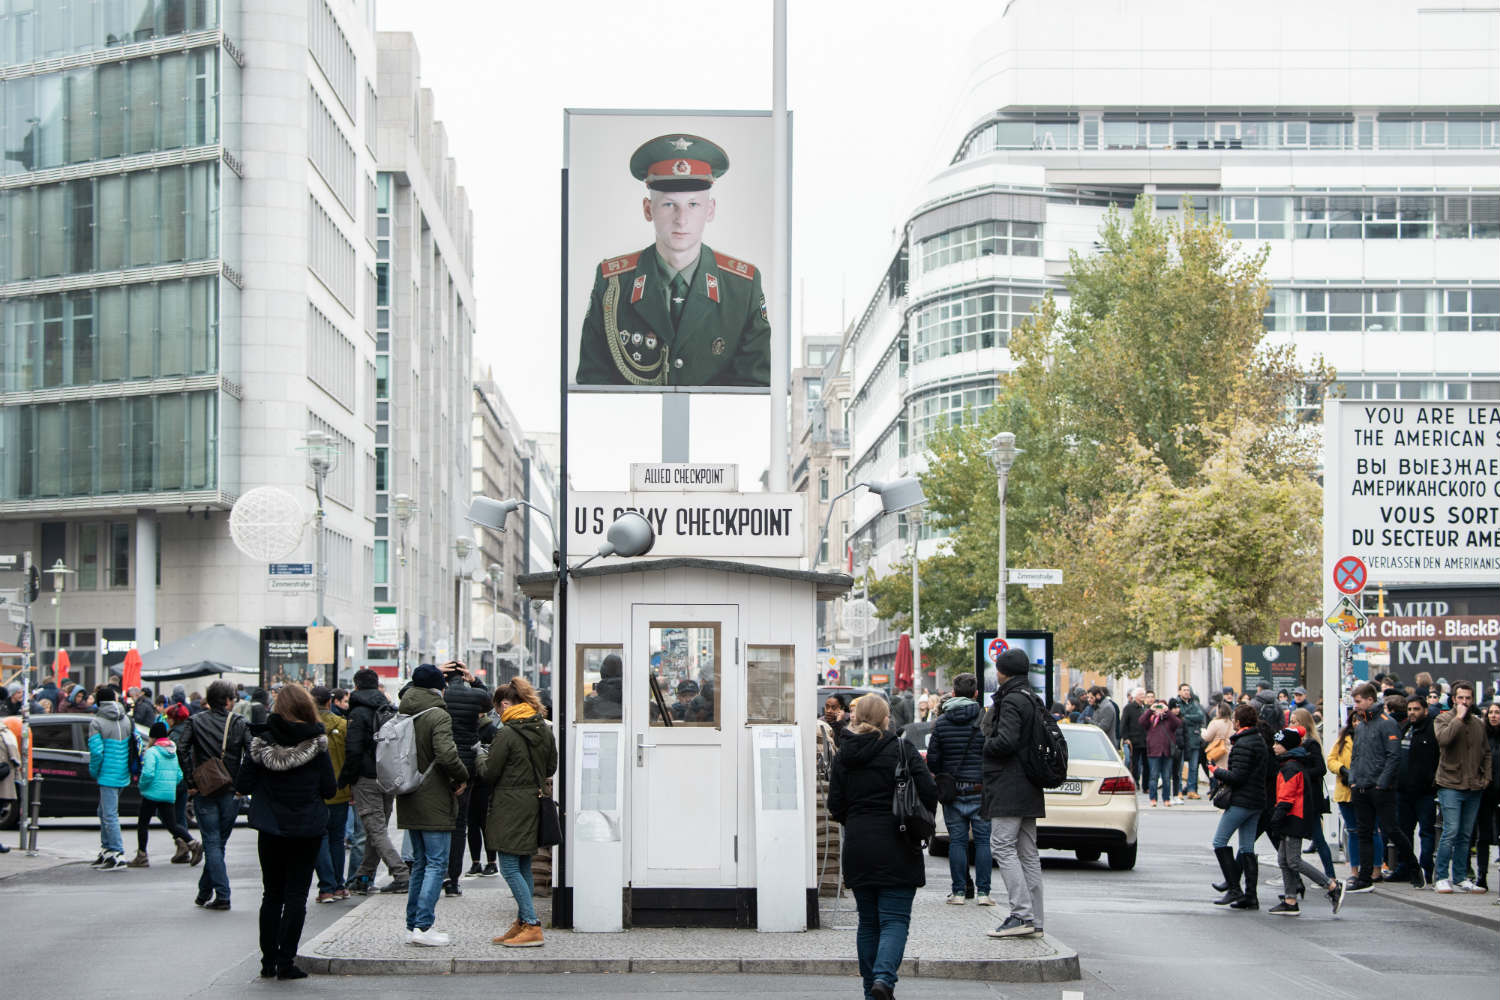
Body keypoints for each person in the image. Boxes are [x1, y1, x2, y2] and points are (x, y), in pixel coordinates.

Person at [575, 133, 770, 388]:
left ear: (710, 210)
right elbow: (592, 385)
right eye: (669, 205)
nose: (681, 219)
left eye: (693, 204)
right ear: (648, 209)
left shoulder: (742, 287)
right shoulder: (613, 283)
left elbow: (755, 391)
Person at [828, 693, 937, 1000]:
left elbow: (835, 805)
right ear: (885, 718)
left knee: (868, 923)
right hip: (898, 843)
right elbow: (929, 791)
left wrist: (857, 818)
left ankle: (871, 991)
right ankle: (884, 980)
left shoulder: (844, 754)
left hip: (859, 846)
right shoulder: (901, 749)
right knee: (894, 920)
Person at [234, 684, 336, 980]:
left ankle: (267, 960)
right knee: (296, 896)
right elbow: (329, 788)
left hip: (271, 827)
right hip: (307, 827)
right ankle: (286, 961)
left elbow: (243, 784)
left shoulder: (261, 742)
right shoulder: (317, 744)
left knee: (272, 894)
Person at [479, 677, 558, 948]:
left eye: (497, 709)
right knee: (523, 862)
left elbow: (489, 772)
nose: (497, 715)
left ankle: (532, 925)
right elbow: (550, 768)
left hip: (509, 804)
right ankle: (523, 921)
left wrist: (480, 756)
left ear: (505, 704)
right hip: (533, 800)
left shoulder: (507, 734)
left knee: (509, 866)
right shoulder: (544, 729)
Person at [394, 664, 469, 946]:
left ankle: (412, 925)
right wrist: (462, 775)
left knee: (421, 864)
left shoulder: (404, 711)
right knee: (437, 863)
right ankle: (424, 927)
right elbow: (447, 754)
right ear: (439, 688)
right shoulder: (437, 714)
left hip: (409, 794)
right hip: (434, 797)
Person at [982, 648, 1047, 938]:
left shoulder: (1010, 700)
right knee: (1028, 853)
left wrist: (985, 745)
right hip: (1030, 783)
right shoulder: (1032, 697)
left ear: (1003, 672)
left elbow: (1006, 742)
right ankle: (1036, 919)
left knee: (1002, 846)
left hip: (1009, 783)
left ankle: (1021, 915)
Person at [1346, 682, 1422, 893]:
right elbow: (1356, 756)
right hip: (1361, 786)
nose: (1356, 705)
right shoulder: (1361, 725)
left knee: (1391, 829)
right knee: (1364, 832)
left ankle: (1413, 867)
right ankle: (1364, 877)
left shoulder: (1387, 723)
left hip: (1380, 788)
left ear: (1370, 700)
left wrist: (1382, 783)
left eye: (1358, 701)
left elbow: (1393, 756)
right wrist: (1353, 779)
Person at [925, 672, 992, 907]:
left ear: (953, 693)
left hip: (952, 791)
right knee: (983, 842)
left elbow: (933, 760)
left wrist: (944, 772)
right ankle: (984, 893)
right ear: (976, 694)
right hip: (980, 789)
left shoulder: (942, 722)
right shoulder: (985, 719)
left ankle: (959, 892)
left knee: (957, 842)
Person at [341, 668, 409, 895]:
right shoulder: (388, 709)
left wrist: (346, 779)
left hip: (366, 777)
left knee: (376, 830)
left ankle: (401, 874)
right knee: (375, 830)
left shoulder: (358, 712)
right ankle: (364, 875)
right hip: (387, 775)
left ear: (356, 686)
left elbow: (353, 750)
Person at [1267, 726, 1346, 917]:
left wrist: (1276, 819)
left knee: (1293, 860)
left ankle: (1331, 885)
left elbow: (1286, 798)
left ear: (1287, 746)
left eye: (1278, 743)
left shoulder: (1290, 767)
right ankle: (1290, 900)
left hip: (1293, 818)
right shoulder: (1293, 764)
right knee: (1284, 860)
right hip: (1294, 817)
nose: (1274, 746)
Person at [185, 680, 250, 908]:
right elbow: (252, 753)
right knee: (218, 843)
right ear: (229, 701)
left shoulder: (195, 721)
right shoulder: (239, 723)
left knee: (213, 842)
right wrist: (243, 784)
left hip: (204, 787)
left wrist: (190, 780)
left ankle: (212, 893)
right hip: (231, 789)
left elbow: (181, 749)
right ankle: (216, 894)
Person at [1208, 704, 1270, 910]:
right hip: (1257, 800)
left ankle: (1234, 888)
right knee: (1247, 847)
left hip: (1242, 800)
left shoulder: (1243, 743)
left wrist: (1216, 771)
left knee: (1219, 841)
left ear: (1238, 722)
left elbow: (1238, 776)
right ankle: (1250, 896)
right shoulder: (1258, 740)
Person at [437, 661, 490, 897]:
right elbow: (489, 701)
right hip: (466, 767)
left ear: (445, 677)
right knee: (459, 825)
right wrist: (474, 680)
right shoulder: (474, 696)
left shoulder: (439, 696)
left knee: (437, 823)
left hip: (439, 766)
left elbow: (407, 694)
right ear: (463, 676)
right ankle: (453, 880)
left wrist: (436, 672)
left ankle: (436, 874)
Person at [1432, 680, 1491, 893]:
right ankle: (1441, 876)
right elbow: (1444, 740)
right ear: (1454, 699)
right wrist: (1457, 718)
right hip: (1450, 783)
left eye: (1468, 698)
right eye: (1460, 698)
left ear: (1472, 699)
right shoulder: (1443, 719)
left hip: (1474, 785)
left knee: (1466, 835)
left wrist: (1486, 777)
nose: (1464, 702)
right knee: (1451, 831)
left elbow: (1486, 752)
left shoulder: (1478, 724)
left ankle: (1460, 876)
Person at [129, 720, 200, 868]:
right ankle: (193, 843)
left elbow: (148, 773)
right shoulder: (172, 751)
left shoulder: (152, 752)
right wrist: (169, 785)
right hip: (168, 794)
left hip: (152, 793)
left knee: (143, 823)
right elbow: (179, 775)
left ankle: (142, 855)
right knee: (172, 824)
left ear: (153, 737)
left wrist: (142, 786)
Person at [87, 686, 137, 871]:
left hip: (107, 774)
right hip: (123, 772)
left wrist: (94, 771)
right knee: (104, 812)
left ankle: (117, 853)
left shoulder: (97, 722)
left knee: (109, 815)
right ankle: (107, 850)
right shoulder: (127, 719)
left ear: (99, 702)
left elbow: (96, 752)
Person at [1326, 713, 1382, 880]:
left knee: (1372, 831)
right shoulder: (1344, 739)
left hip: (1367, 789)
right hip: (1345, 791)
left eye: (1360, 720)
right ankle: (1354, 870)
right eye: (1354, 720)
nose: (1357, 723)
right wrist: (1342, 769)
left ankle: (1376, 869)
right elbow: (1331, 760)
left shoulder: (1374, 737)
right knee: (1352, 831)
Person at [311, 686, 352, 904]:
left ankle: (326, 887)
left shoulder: (308, 727)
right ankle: (339, 885)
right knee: (337, 839)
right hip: (340, 790)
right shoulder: (343, 725)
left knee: (320, 838)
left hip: (315, 793)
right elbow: (350, 758)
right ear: (329, 702)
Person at [1394, 693, 1439, 886]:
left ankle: (1427, 869)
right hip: (1403, 791)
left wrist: (1432, 782)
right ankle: (1406, 868)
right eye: (1410, 709)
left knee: (1426, 832)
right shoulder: (1405, 728)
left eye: (1416, 709)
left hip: (1424, 792)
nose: (1412, 712)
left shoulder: (1432, 730)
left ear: (1425, 710)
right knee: (1404, 832)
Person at [1288, 708, 1335, 882]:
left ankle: (1330, 876)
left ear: (1303, 724)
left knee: (1318, 838)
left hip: (1310, 796)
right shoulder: (1297, 742)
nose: (1291, 725)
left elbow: (1321, 769)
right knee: (1302, 838)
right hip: (1300, 795)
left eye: (1294, 722)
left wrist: (1300, 774)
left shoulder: (1310, 743)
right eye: (1291, 721)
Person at [1474, 701, 1500, 891]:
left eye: (1497, 712)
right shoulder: (1482, 737)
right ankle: (1481, 875)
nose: (1493, 716)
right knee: (1483, 835)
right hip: (1485, 791)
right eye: (1491, 712)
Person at [1142, 700, 1182, 807]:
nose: (1159, 709)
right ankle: (1153, 798)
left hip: (1167, 752)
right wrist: (1150, 710)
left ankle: (1166, 798)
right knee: (1153, 776)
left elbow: (1178, 723)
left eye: (1161, 707)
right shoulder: (1151, 719)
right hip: (1154, 752)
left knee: (1166, 777)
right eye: (1158, 707)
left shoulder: (1169, 719)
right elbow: (1141, 721)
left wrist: (1167, 711)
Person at [1173, 685, 1206, 800]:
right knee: (1179, 767)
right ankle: (1178, 790)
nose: (1187, 692)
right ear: (1179, 692)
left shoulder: (1194, 704)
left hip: (1195, 739)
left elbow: (1200, 717)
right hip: (1182, 740)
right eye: (1184, 690)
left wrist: (1186, 718)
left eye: (1188, 690)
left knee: (1193, 767)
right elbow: (1178, 717)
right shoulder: (1176, 703)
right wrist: (1190, 719)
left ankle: (1191, 790)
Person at [1120, 688, 1149, 790]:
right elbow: (1123, 723)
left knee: (1147, 764)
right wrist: (1126, 738)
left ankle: (1146, 786)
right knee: (1134, 764)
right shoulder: (1129, 708)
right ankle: (1135, 782)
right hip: (1134, 741)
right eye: (1140, 694)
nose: (1143, 696)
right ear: (1135, 696)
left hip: (1146, 741)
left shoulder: (1146, 708)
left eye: (1143, 694)